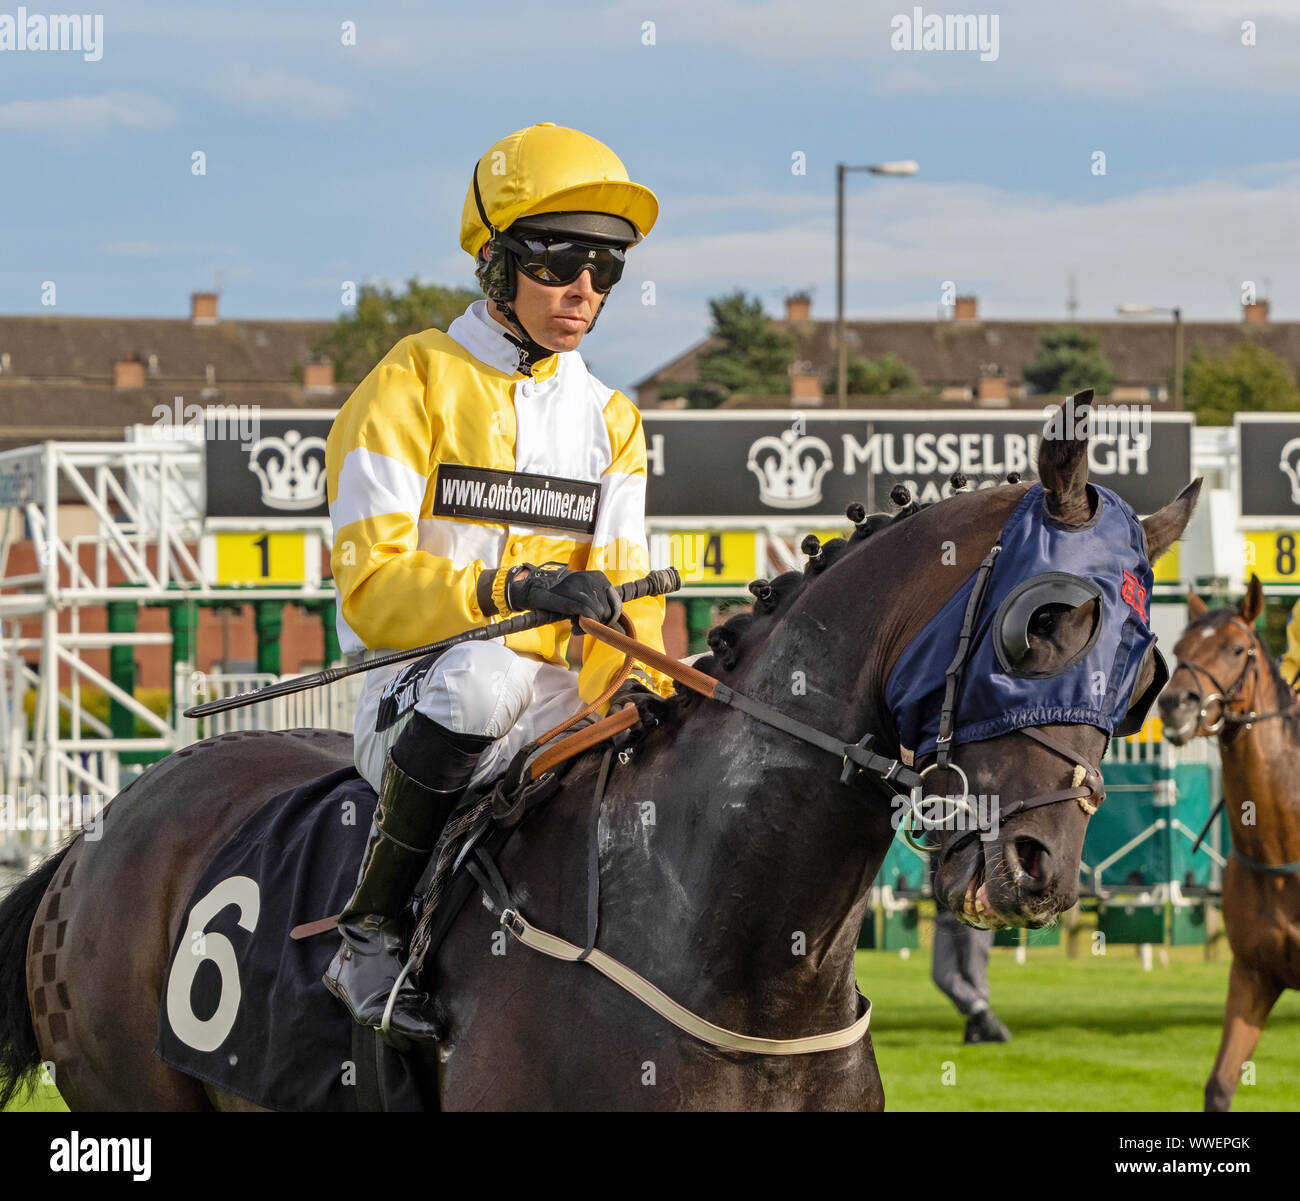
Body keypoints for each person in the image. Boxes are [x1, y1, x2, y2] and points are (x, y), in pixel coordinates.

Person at [321, 123, 675, 1044]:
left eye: (606, 266)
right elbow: (370, 586)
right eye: (561, 261)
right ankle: (372, 928)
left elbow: (631, 595)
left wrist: (646, 686)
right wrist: (502, 591)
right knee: (489, 676)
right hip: (421, 688)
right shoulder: (412, 380)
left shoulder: (614, 418)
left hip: (561, 697)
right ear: (499, 263)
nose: (585, 289)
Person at [929, 860, 1011, 1043]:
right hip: (943, 909)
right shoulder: (930, 832)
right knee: (941, 975)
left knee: (974, 975)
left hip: (974, 908)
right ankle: (983, 1015)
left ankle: (978, 1028)